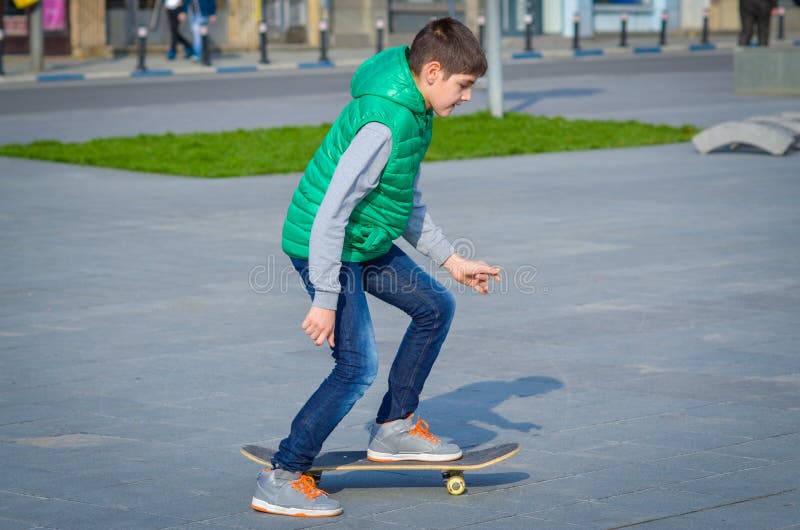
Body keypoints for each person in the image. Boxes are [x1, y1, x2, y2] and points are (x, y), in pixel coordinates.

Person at [250, 17, 501, 518]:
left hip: (361, 243)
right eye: (465, 85)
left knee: (435, 306)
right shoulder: (384, 122)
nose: (468, 97)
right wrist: (325, 298)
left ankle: (395, 427)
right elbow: (331, 211)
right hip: (326, 248)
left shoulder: (415, 112)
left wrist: (450, 260)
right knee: (357, 366)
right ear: (433, 72)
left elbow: (402, 202)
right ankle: (282, 474)